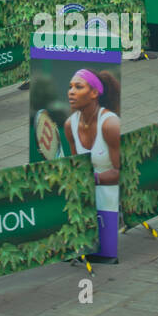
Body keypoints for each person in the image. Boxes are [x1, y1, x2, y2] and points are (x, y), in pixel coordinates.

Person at [64, 68, 122, 259]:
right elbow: (77, 166)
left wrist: (92, 178)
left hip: (110, 200)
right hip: (84, 204)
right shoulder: (69, 125)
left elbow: (120, 172)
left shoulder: (110, 124)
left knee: (103, 255)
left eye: (78, 87)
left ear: (94, 93)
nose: (71, 92)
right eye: (70, 87)